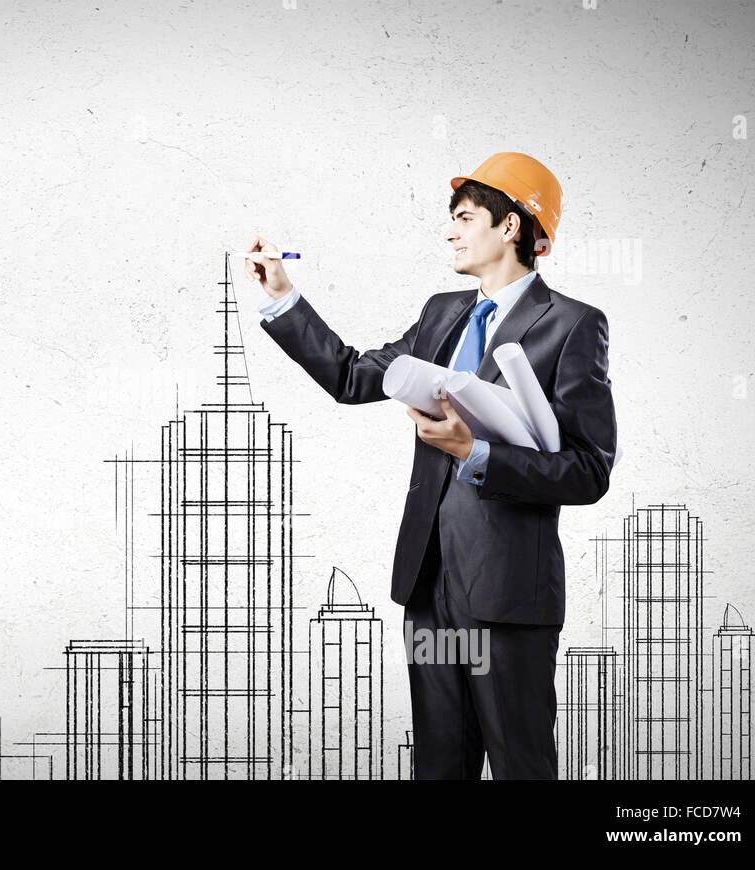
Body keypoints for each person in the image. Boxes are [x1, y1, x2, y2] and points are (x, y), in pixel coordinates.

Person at [245, 152, 617, 779]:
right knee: (439, 766)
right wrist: (283, 297)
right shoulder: (443, 312)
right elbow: (351, 375)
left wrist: (477, 454)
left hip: (507, 594)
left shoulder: (572, 325)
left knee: (521, 764)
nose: (449, 231)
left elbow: (588, 470)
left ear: (511, 227)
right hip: (429, 586)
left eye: (465, 217)